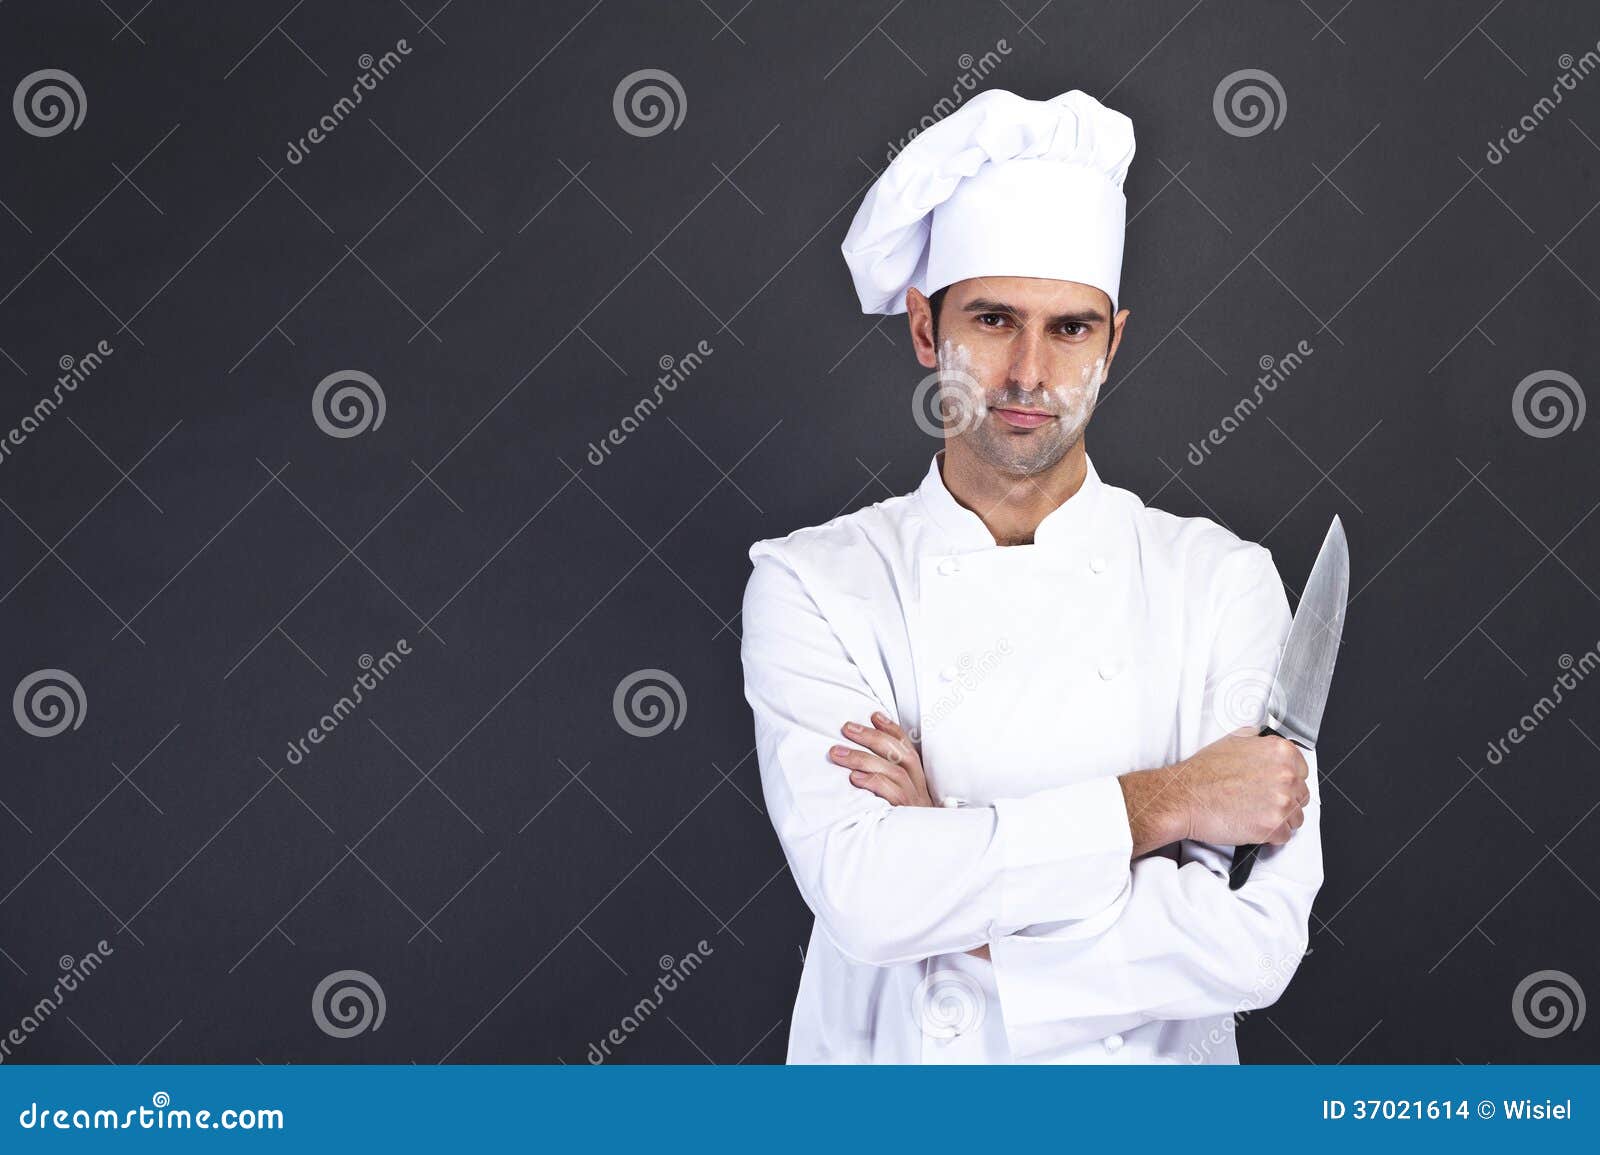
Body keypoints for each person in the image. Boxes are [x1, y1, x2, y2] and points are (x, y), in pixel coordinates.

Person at [738, 88, 1321, 1063]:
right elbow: (872, 899)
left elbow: (1249, 946)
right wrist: (1164, 805)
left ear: (1114, 341)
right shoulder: (816, 585)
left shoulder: (1221, 583)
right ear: (927, 331)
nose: (1026, 374)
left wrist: (950, 870)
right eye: (994, 318)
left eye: (1069, 329)